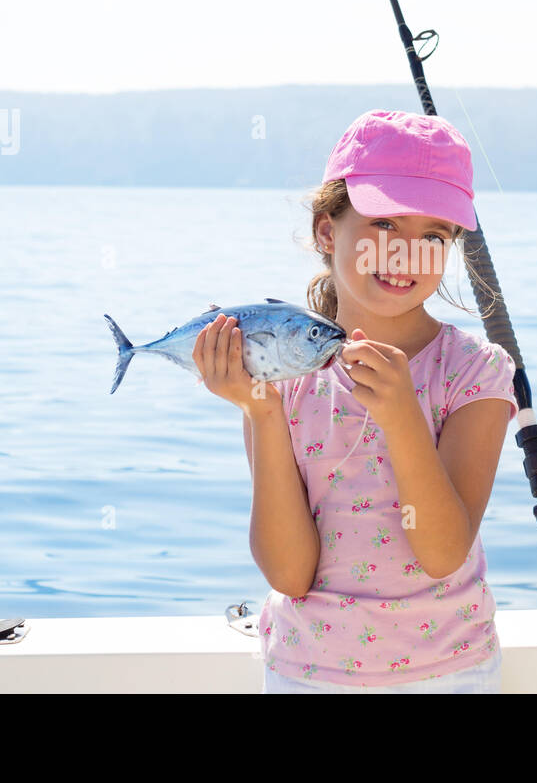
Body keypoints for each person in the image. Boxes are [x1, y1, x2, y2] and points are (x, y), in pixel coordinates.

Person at [193, 109, 518, 693]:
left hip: (451, 675)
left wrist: (401, 417)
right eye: (385, 223)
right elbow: (290, 574)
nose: (406, 254)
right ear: (326, 231)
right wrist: (261, 411)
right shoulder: (280, 377)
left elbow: (443, 552)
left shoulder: (476, 372)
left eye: (434, 235)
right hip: (305, 674)